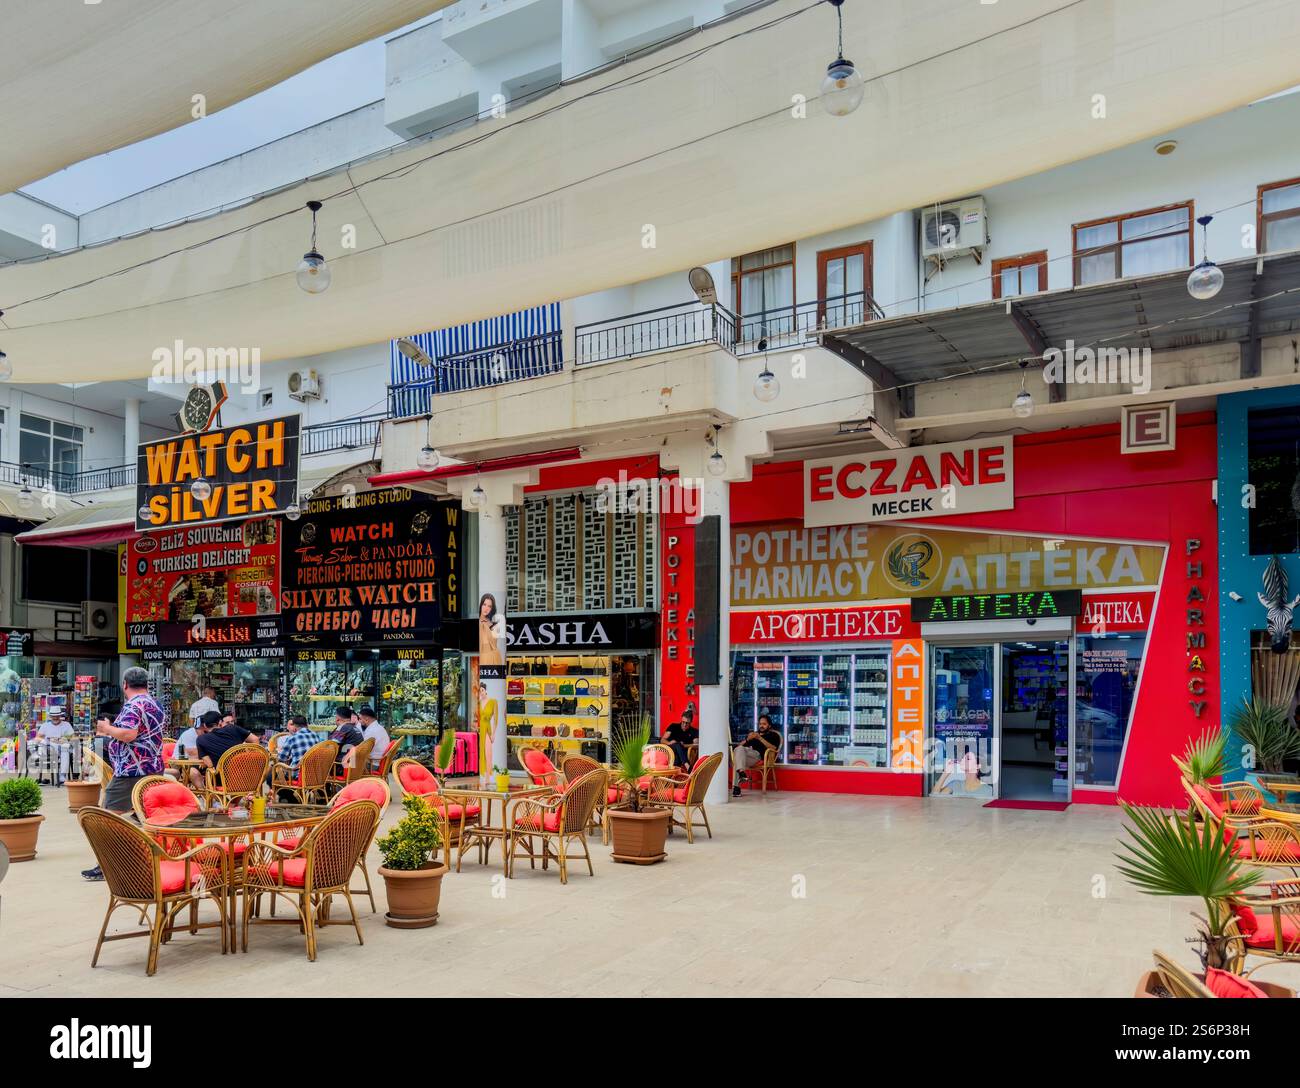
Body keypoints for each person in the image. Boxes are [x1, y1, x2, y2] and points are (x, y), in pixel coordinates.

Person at [83, 666, 165, 880]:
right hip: (152, 767)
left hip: (132, 770)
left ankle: (108, 866)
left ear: (125, 685)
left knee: (106, 817)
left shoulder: (133, 705)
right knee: (147, 816)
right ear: (146, 684)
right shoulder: (154, 703)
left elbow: (128, 734)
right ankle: (151, 859)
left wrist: (107, 729)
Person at [193, 712, 253, 791]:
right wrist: (251, 760)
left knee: (195, 770)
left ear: (204, 726)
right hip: (245, 777)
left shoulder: (201, 739)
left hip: (221, 780)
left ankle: (220, 800)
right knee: (267, 767)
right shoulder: (233, 728)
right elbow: (255, 739)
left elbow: (209, 764)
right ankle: (234, 802)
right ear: (220, 723)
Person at [732, 713, 782, 796]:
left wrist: (760, 738)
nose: (761, 726)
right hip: (748, 754)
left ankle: (737, 786)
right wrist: (748, 739)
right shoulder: (754, 734)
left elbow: (773, 748)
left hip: (759, 757)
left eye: (764, 724)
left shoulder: (773, 735)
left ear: (769, 725)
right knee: (738, 750)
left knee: (738, 758)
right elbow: (739, 746)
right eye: (760, 724)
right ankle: (741, 773)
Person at [31, 708, 75, 785]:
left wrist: (65, 738)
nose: (55, 718)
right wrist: (45, 740)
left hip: (62, 746)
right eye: (53, 716)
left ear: (60, 715)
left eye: (57, 716)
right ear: (50, 716)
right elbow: (37, 737)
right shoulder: (45, 725)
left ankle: (62, 776)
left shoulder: (66, 725)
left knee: (65, 749)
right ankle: (61, 776)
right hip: (49, 748)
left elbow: (73, 737)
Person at [661, 704, 699, 770]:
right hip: (671, 750)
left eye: (687, 723)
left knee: (678, 746)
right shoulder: (673, 726)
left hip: (681, 753)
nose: (684, 724)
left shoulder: (694, 731)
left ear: (691, 722)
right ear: (681, 720)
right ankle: (687, 766)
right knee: (677, 744)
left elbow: (696, 745)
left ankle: (675, 773)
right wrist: (669, 743)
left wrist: (684, 745)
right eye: (683, 722)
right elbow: (662, 740)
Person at [356, 705, 390, 771]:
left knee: (345, 763)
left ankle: (349, 780)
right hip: (378, 762)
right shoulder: (378, 727)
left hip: (372, 764)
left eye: (360, 719)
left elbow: (362, 751)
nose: (359, 722)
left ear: (366, 719)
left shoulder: (371, 731)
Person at [477, 592, 503, 666]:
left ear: (492, 608)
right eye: (484, 604)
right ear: (481, 605)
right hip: (482, 656)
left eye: (489, 606)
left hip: (494, 656)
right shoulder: (478, 622)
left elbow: (494, 644)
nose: (486, 608)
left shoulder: (494, 624)